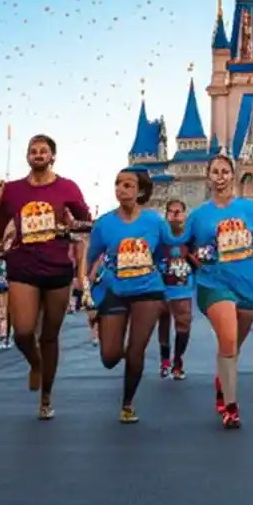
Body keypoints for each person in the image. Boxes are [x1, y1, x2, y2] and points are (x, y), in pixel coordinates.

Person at [0, 134, 91, 419]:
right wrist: (4, 241)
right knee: (23, 332)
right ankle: (34, 363)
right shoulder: (12, 190)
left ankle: (46, 397)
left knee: (50, 335)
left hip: (57, 266)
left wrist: (70, 227)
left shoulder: (67, 187)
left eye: (43, 151)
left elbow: (85, 223)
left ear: (52, 157)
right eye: (33, 150)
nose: (38, 154)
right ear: (27, 156)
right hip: (23, 265)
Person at [86, 167, 179, 422]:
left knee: (136, 350)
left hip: (148, 291)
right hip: (115, 290)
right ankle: (123, 351)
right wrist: (90, 300)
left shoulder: (154, 222)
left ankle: (127, 403)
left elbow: (165, 252)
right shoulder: (104, 224)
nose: (121, 189)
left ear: (140, 191)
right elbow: (90, 262)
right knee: (110, 356)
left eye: (128, 185)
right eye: (118, 184)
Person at [185, 154, 253, 429]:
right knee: (229, 339)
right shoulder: (198, 216)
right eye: (215, 171)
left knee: (232, 346)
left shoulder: (251, 209)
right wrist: (198, 262)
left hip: (246, 284)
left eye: (225, 171)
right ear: (208, 177)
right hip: (213, 283)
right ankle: (231, 407)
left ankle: (223, 379)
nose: (220, 176)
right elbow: (183, 245)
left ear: (234, 175)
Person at [157, 199, 197, 380]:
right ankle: (165, 359)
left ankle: (178, 360)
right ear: (166, 215)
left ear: (184, 215)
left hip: (183, 287)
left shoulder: (190, 237)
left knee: (184, 323)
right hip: (162, 286)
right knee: (164, 322)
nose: (174, 215)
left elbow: (199, 260)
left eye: (178, 211)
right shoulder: (159, 236)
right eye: (171, 211)